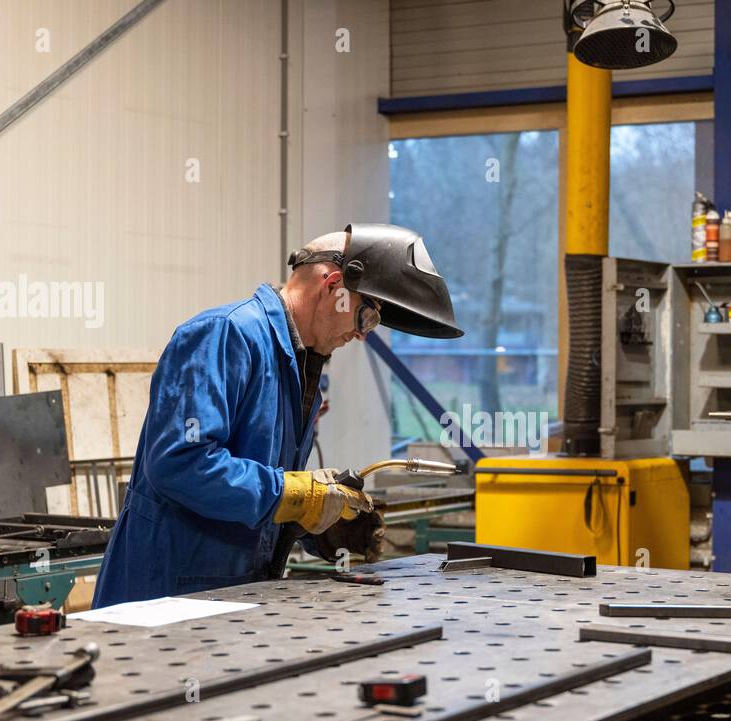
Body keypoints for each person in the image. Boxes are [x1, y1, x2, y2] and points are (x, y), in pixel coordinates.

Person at [91, 223, 460, 607]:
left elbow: (258, 496)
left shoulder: (300, 366)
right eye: (366, 317)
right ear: (334, 285)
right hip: (162, 597)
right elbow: (180, 463)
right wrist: (294, 495)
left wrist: (318, 524)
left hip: (231, 598)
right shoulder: (224, 334)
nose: (363, 334)